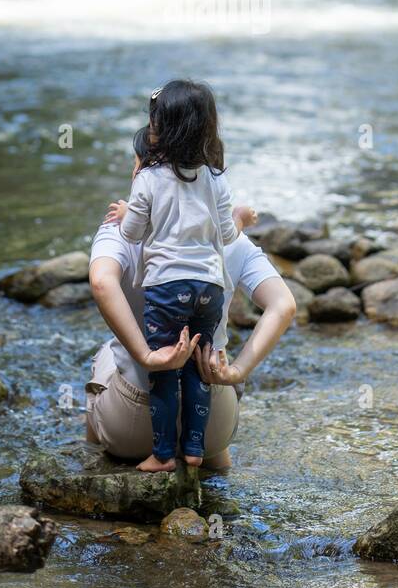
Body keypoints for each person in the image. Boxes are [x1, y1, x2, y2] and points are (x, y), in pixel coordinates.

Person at [88, 124, 296, 471]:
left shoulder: (121, 229)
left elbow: (101, 283)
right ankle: (214, 463)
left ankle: (92, 466)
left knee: (103, 358)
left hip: (133, 423)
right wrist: (239, 370)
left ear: (143, 171)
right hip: (212, 416)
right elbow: (284, 305)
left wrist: (145, 355)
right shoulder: (233, 240)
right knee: (215, 366)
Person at [105, 80, 243, 471]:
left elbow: (131, 233)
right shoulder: (216, 177)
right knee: (198, 369)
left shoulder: (149, 177)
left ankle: (164, 455)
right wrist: (241, 219)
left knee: (165, 368)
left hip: (168, 288)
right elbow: (228, 234)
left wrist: (124, 214)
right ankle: (196, 451)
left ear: (162, 128)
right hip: (208, 288)